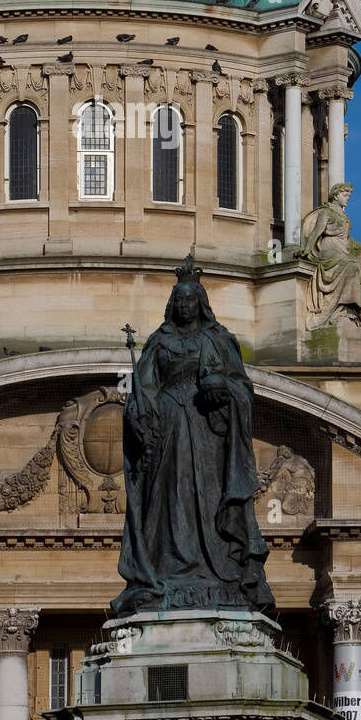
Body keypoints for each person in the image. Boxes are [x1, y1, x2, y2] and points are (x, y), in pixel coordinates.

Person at [112, 259, 274, 617]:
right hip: (169, 429)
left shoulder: (218, 340)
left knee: (208, 496)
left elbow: (242, 388)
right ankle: (169, 568)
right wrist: (139, 412)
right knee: (169, 501)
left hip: (207, 431)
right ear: (173, 304)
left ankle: (218, 567)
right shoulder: (159, 342)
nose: (184, 305)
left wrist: (224, 392)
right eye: (178, 299)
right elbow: (144, 388)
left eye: (189, 299)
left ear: (200, 302)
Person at [297, 182, 361, 329]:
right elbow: (316, 232)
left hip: (342, 248)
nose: (347, 199)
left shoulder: (344, 215)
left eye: (348, 196)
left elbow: (347, 238)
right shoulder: (326, 212)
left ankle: (345, 309)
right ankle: (346, 308)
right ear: (335, 195)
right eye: (345, 195)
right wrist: (307, 249)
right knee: (350, 266)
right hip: (329, 249)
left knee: (353, 267)